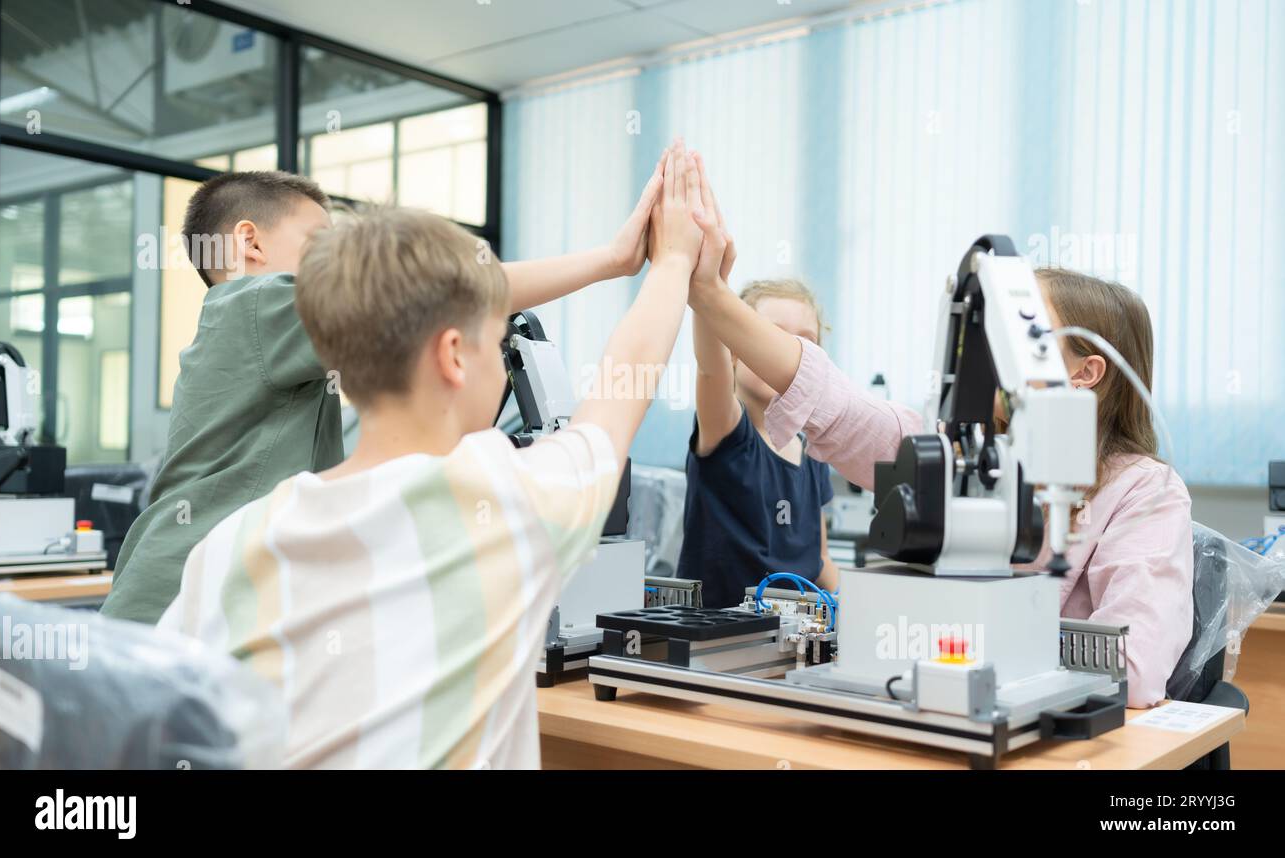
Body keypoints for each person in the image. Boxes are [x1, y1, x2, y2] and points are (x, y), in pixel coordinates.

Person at [157, 143, 711, 767]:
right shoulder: (503, 503)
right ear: (453, 356)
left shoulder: (223, 549)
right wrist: (672, 263)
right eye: (495, 339)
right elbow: (618, 395)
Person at [105, 164, 668, 624]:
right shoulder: (252, 305)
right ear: (248, 243)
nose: (335, 267)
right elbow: (448, 292)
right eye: (318, 245)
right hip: (172, 598)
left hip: (204, 593)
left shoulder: (263, 337)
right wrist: (610, 262)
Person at [689, 252, 1192, 708]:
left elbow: (1134, 669)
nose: (990, 347)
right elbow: (831, 402)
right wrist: (710, 294)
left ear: (1086, 371)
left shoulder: (1148, 494)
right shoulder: (957, 451)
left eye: (1020, 334)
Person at [676, 157, 835, 607]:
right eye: (770, 338)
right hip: (722, 641)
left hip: (795, 640)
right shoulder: (727, 430)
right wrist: (710, 287)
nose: (784, 354)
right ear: (734, 344)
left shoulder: (813, 448)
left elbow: (820, 563)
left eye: (804, 343)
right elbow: (710, 367)